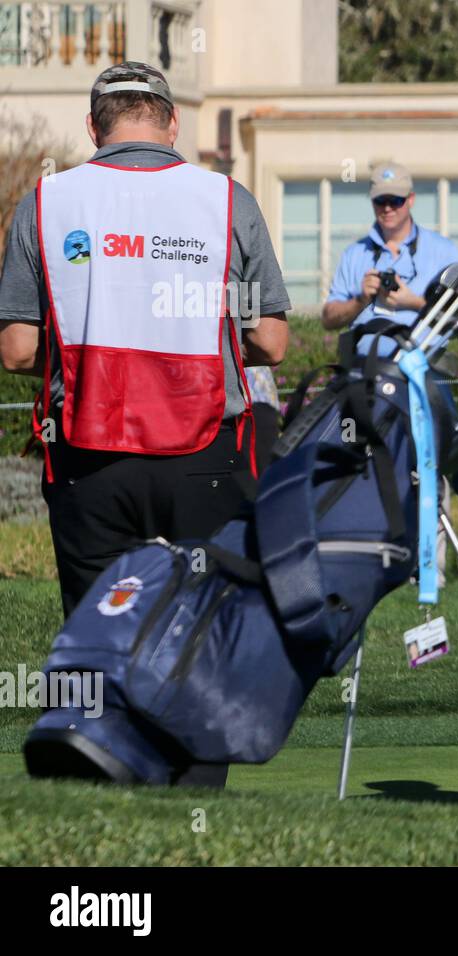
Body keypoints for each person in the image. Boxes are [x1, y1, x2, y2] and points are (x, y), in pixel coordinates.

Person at [0, 61, 290, 788]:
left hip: (90, 459)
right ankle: (192, 804)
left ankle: (94, 802)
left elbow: (18, 350)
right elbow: (273, 344)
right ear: (171, 121)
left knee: (93, 633)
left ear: (94, 127)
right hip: (204, 456)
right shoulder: (225, 198)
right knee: (197, 632)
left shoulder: (46, 201)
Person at [321, 162, 458, 356]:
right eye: (380, 200)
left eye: (395, 200)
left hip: (424, 370)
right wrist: (360, 300)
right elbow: (328, 319)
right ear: (371, 201)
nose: (387, 208)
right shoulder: (354, 253)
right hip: (365, 373)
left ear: (410, 199)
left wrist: (414, 303)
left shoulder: (444, 250)